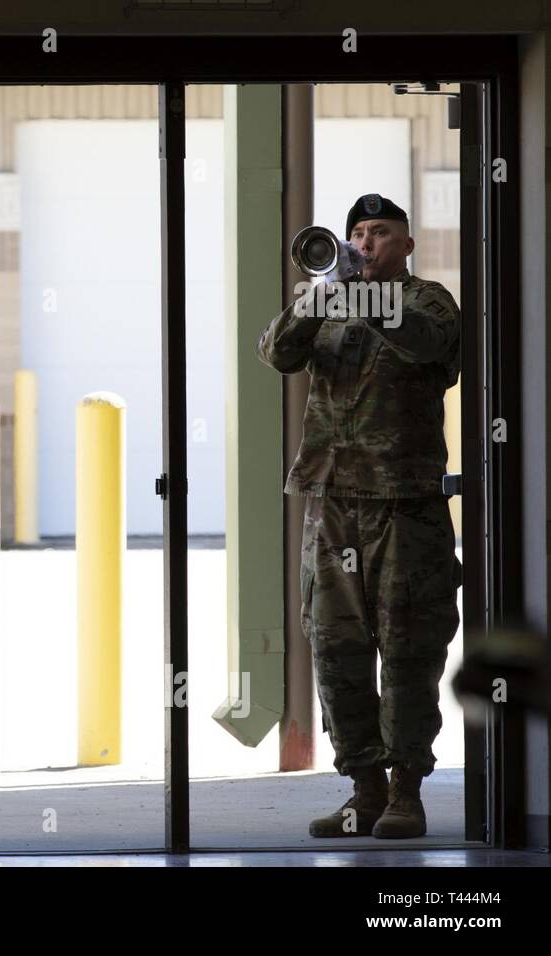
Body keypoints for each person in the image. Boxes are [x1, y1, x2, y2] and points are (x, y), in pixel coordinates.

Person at [257, 193, 463, 839]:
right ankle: (363, 789)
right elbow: (278, 354)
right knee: (336, 650)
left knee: (408, 647)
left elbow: (428, 348)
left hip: (404, 503)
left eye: (380, 233)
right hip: (331, 500)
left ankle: (407, 790)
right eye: (357, 234)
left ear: (406, 243)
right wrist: (319, 294)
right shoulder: (328, 297)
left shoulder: (427, 299)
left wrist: (371, 303)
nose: (365, 244)